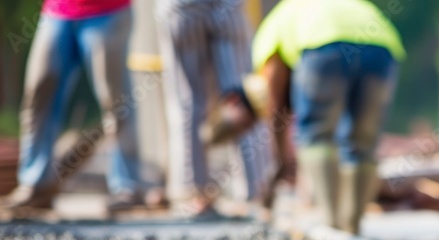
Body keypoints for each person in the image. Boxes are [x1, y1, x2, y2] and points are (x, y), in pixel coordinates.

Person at [250, 0, 405, 233]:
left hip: (324, 45)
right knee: (363, 141)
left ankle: (332, 223)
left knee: (316, 133)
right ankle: (352, 227)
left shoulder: (274, 25)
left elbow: (274, 104)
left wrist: (279, 160)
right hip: (381, 47)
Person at [4, 0, 148, 212]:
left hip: (107, 11)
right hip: (57, 11)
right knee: (38, 92)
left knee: (116, 100)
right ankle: (36, 184)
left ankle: (128, 186)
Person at [155, 0, 271, 218]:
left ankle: (192, 194)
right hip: (225, 6)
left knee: (188, 100)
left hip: (183, 7)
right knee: (240, 96)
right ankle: (254, 192)